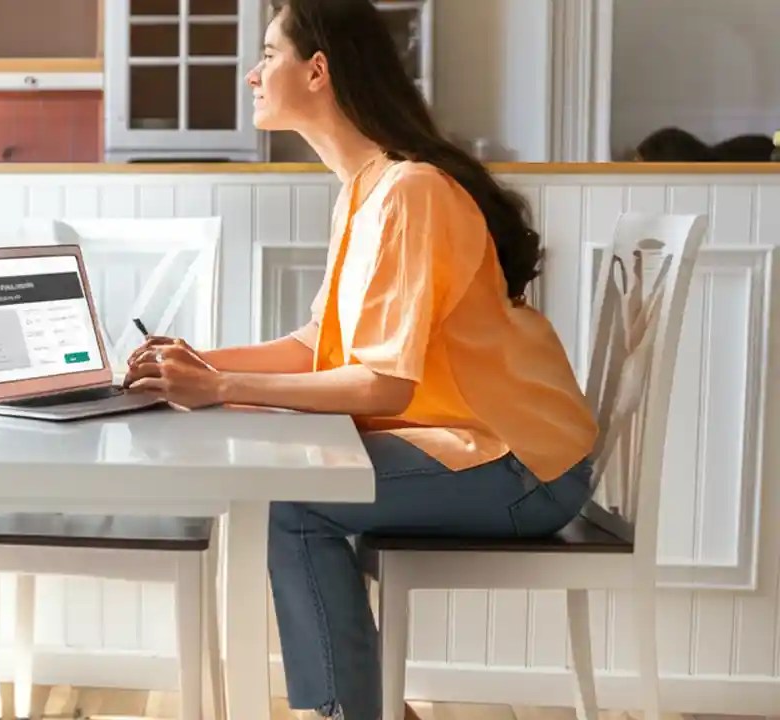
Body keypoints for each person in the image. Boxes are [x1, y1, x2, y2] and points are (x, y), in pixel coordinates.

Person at [122, 1, 599, 719]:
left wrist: (219, 387)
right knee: (290, 491)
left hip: (523, 466)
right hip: (479, 446)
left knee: (293, 502)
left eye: (268, 55)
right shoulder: (365, 190)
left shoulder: (411, 191)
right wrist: (193, 363)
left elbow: (382, 386)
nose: (252, 74)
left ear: (317, 70)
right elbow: (318, 344)